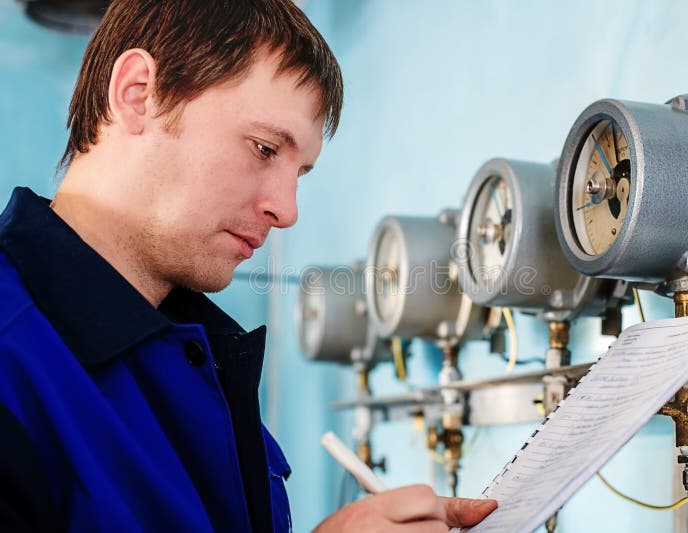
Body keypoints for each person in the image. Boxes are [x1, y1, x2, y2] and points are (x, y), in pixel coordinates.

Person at [0, 0, 498, 531]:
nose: (287, 211)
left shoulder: (202, 358)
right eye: (263, 149)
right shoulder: (14, 353)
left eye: (299, 171)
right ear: (138, 94)